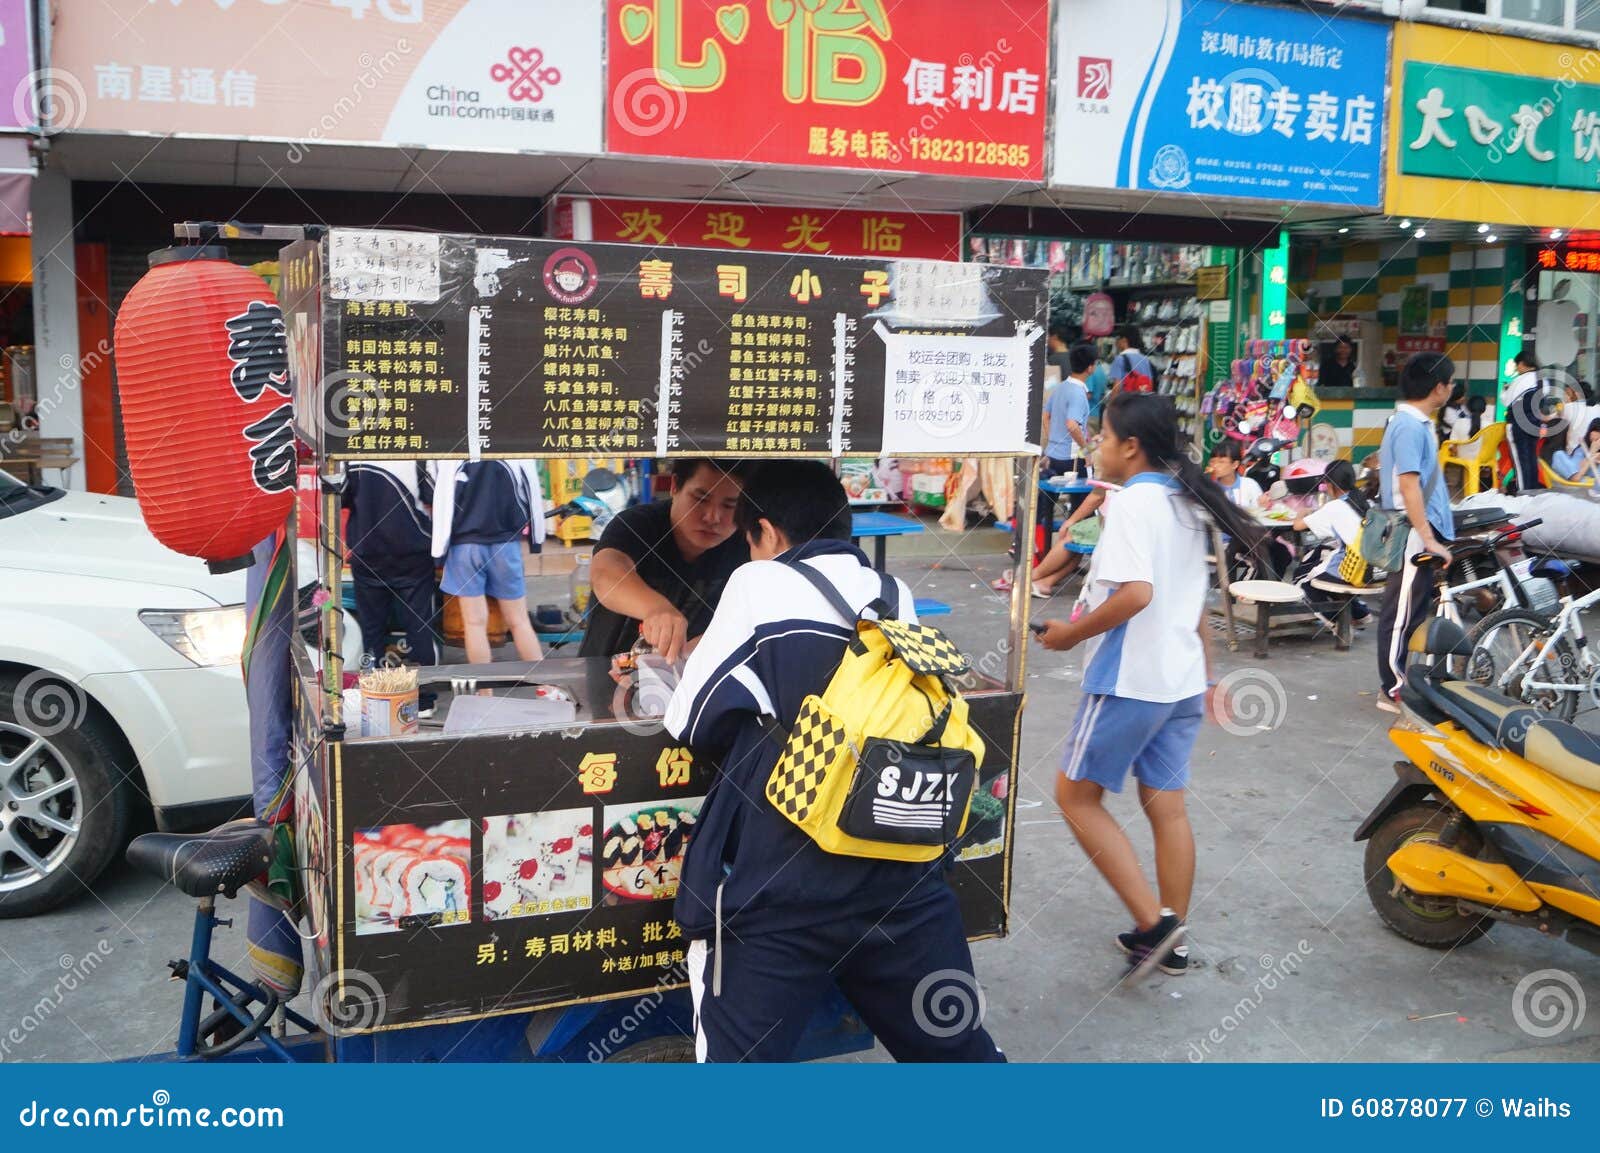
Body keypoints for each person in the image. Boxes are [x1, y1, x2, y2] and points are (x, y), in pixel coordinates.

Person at [663, 461, 1003, 1062]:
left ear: (763, 532)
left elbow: (692, 720)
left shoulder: (756, 583)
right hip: (902, 880)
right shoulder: (891, 594)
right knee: (960, 1057)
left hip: (780, 892)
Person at [1035, 393, 1266, 979]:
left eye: (1102, 437)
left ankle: (1153, 928)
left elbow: (1136, 594)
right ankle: (1172, 935)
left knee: (1075, 797)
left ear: (1130, 447)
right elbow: (1193, 604)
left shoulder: (1133, 505)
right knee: (1167, 807)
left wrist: (1070, 634)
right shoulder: (1187, 501)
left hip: (1132, 679)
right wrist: (1208, 676)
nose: (1095, 446)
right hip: (1181, 677)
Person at [578, 459, 749, 664]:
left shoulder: (746, 546)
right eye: (700, 499)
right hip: (605, 672)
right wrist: (656, 609)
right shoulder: (637, 524)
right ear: (674, 485)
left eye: (729, 506)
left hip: (691, 680)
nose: (713, 517)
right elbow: (605, 575)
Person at [1376, 352, 1456, 710]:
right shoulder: (1409, 425)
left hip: (1417, 531)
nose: (1452, 389)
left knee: (1412, 610)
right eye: (1450, 383)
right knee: (1400, 615)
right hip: (1411, 533)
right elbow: (1409, 485)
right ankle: (1392, 686)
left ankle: (1403, 681)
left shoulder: (1414, 422)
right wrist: (1426, 537)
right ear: (1438, 387)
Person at [432, 460, 546, 665]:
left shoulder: (451, 447)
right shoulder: (514, 445)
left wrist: (438, 551)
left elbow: (442, 497)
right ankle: (547, 689)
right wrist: (536, 540)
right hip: (505, 545)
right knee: (519, 621)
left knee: (474, 623)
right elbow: (532, 492)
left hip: (464, 547)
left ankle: (484, 693)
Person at [342, 460, 439, 670]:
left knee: (372, 629)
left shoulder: (352, 451)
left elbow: (341, 496)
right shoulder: (418, 449)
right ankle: (423, 697)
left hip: (367, 553)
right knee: (418, 627)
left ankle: (374, 693)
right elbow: (433, 494)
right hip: (413, 553)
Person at [1290, 459, 1372, 628]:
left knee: (1302, 580)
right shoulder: (1362, 500)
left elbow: (1297, 526)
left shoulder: (1334, 506)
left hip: (1352, 566)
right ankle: (1361, 614)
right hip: (1372, 567)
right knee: (1317, 562)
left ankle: (1338, 624)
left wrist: (1302, 512)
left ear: (1330, 483)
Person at [1504, 347, 1546, 491]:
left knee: (1520, 460)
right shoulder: (1542, 379)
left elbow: (1505, 401)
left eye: (1517, 365)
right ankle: (1532, 488)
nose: (1517, 369)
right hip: (1534, 423)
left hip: (1518, 424)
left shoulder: (1520, 380)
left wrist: (1505, 389)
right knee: (1531, 457)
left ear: (1522, 364)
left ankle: (1523, 492)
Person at [1206, 439, 1264, 508]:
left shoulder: (1250, 485)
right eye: (1212, 461)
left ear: (1235, 465)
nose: (1215, 465)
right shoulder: (1209, 489)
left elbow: (1259, 511)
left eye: (1221, 462)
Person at [1108, 326, 1157, 394]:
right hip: (1142, 402)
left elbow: (1117, 388)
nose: (1116, 342)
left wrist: (1111, 403)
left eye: (1117, 338)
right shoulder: (1145, 359)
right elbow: (1150, 383)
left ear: (1124, 340)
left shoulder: (1119, 359)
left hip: (1126, 402)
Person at [1551, 417, 1600, 486]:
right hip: (1572, 490)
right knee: (1558, 455)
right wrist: (1592, 453)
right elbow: (1576, 478)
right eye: (1596, 440)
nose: (1597, 444)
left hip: (1590, 490)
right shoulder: (1561, 456)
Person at [1079, 340, 1110, 429]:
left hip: (1088, 416)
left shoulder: (1089, 371)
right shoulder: (1100, 369)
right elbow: (1102, 395)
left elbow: (1088, 394)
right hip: (1096, 414)